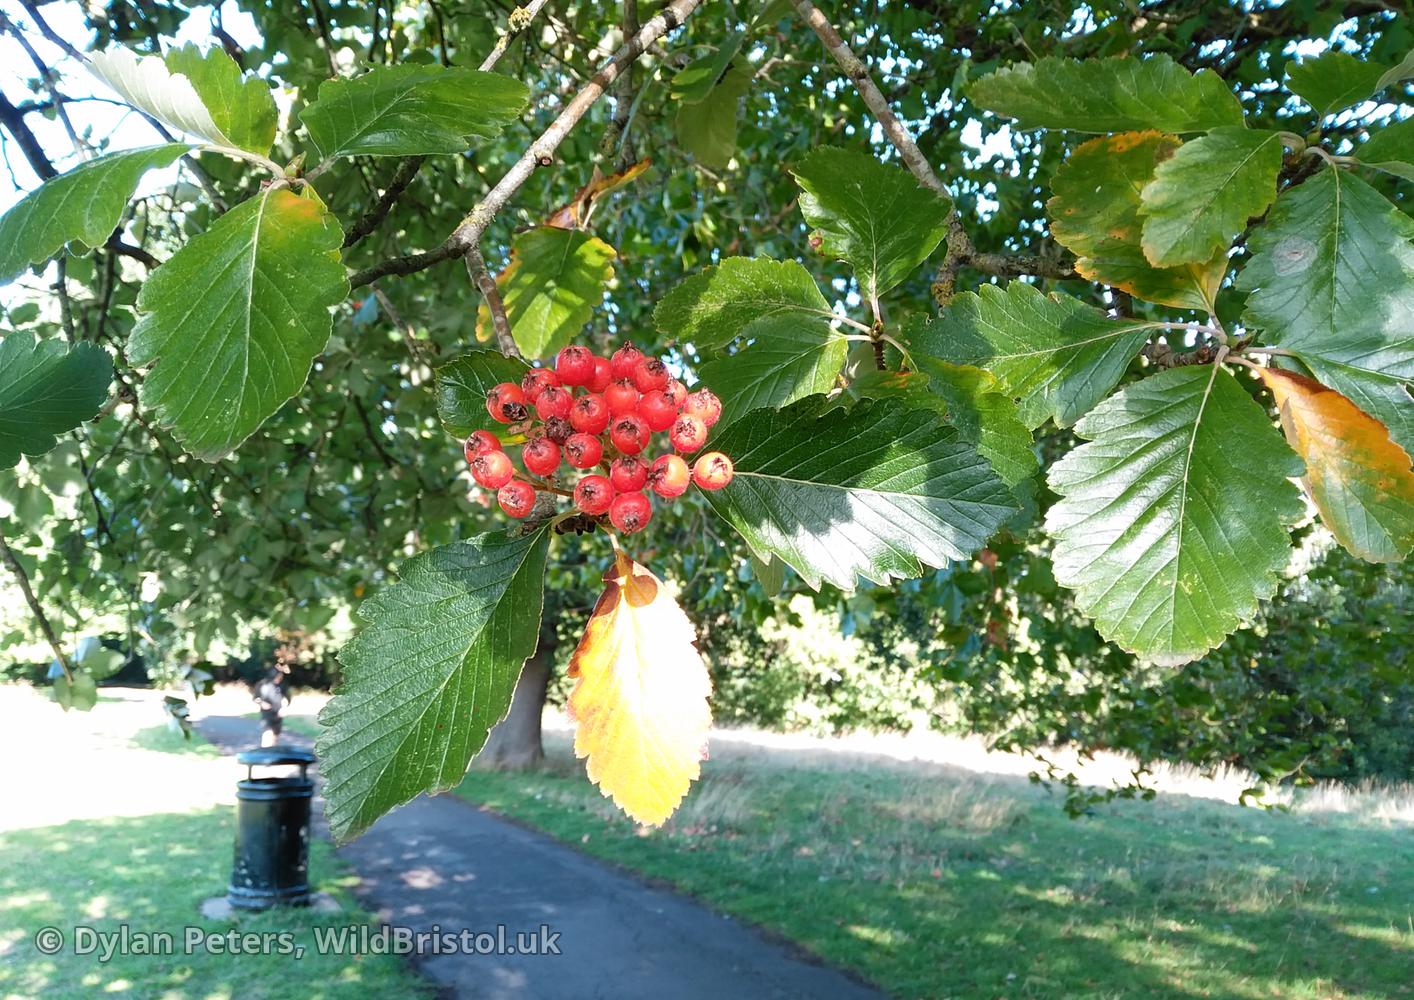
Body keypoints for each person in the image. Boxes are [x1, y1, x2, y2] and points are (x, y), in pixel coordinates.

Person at [255, 665, 288, 747]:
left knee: (275, 735)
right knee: (268, 733)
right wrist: (262, 703)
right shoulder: (262, 684)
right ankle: (265, 752)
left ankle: (273, 753)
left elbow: (286, 698)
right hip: (267, 713)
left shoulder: (281, 685)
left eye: (280, 677)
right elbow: (256, 698)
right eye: (278, 676)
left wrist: (284, 708)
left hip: (278, 713)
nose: (279, 679)